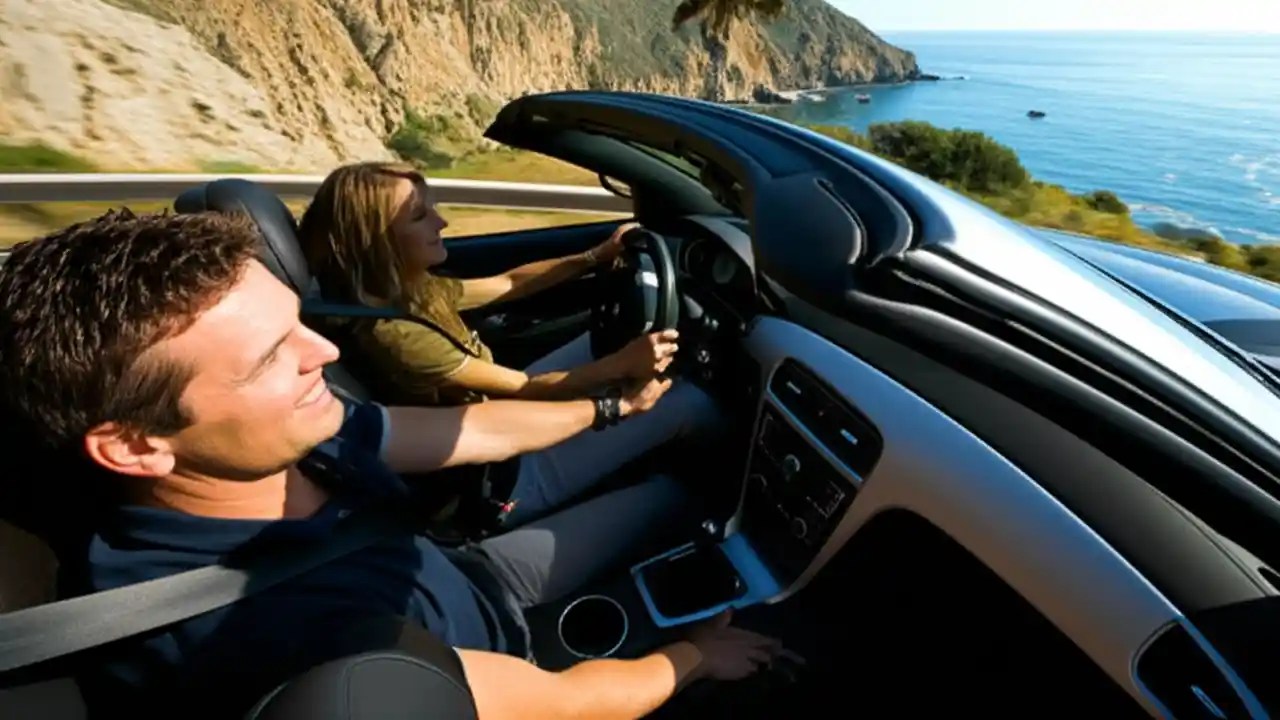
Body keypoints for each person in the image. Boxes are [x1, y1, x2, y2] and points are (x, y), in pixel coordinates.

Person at [0, 209, 792, 719]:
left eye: (298, 324)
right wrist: (695, 658)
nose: (329, 352)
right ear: (135, 445)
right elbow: (567, 699)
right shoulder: (288, 646)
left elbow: (469, 434)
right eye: (273, 357)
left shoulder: (276, 435)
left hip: (463, 572)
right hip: (485, 653)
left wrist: (610, 409)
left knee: (677, 494)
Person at [297, 162, 723, 525]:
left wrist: (594, 257)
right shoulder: (396, 335)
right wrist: (621, 372)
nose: (440, 222)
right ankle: (714, 502)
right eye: (419, 217)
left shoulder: (406, 290)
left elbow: (506, 284)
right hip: (501, 471)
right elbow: (525, 388)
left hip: (497, 407)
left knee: (602, 346)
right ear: (376, 239)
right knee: (692, 404)